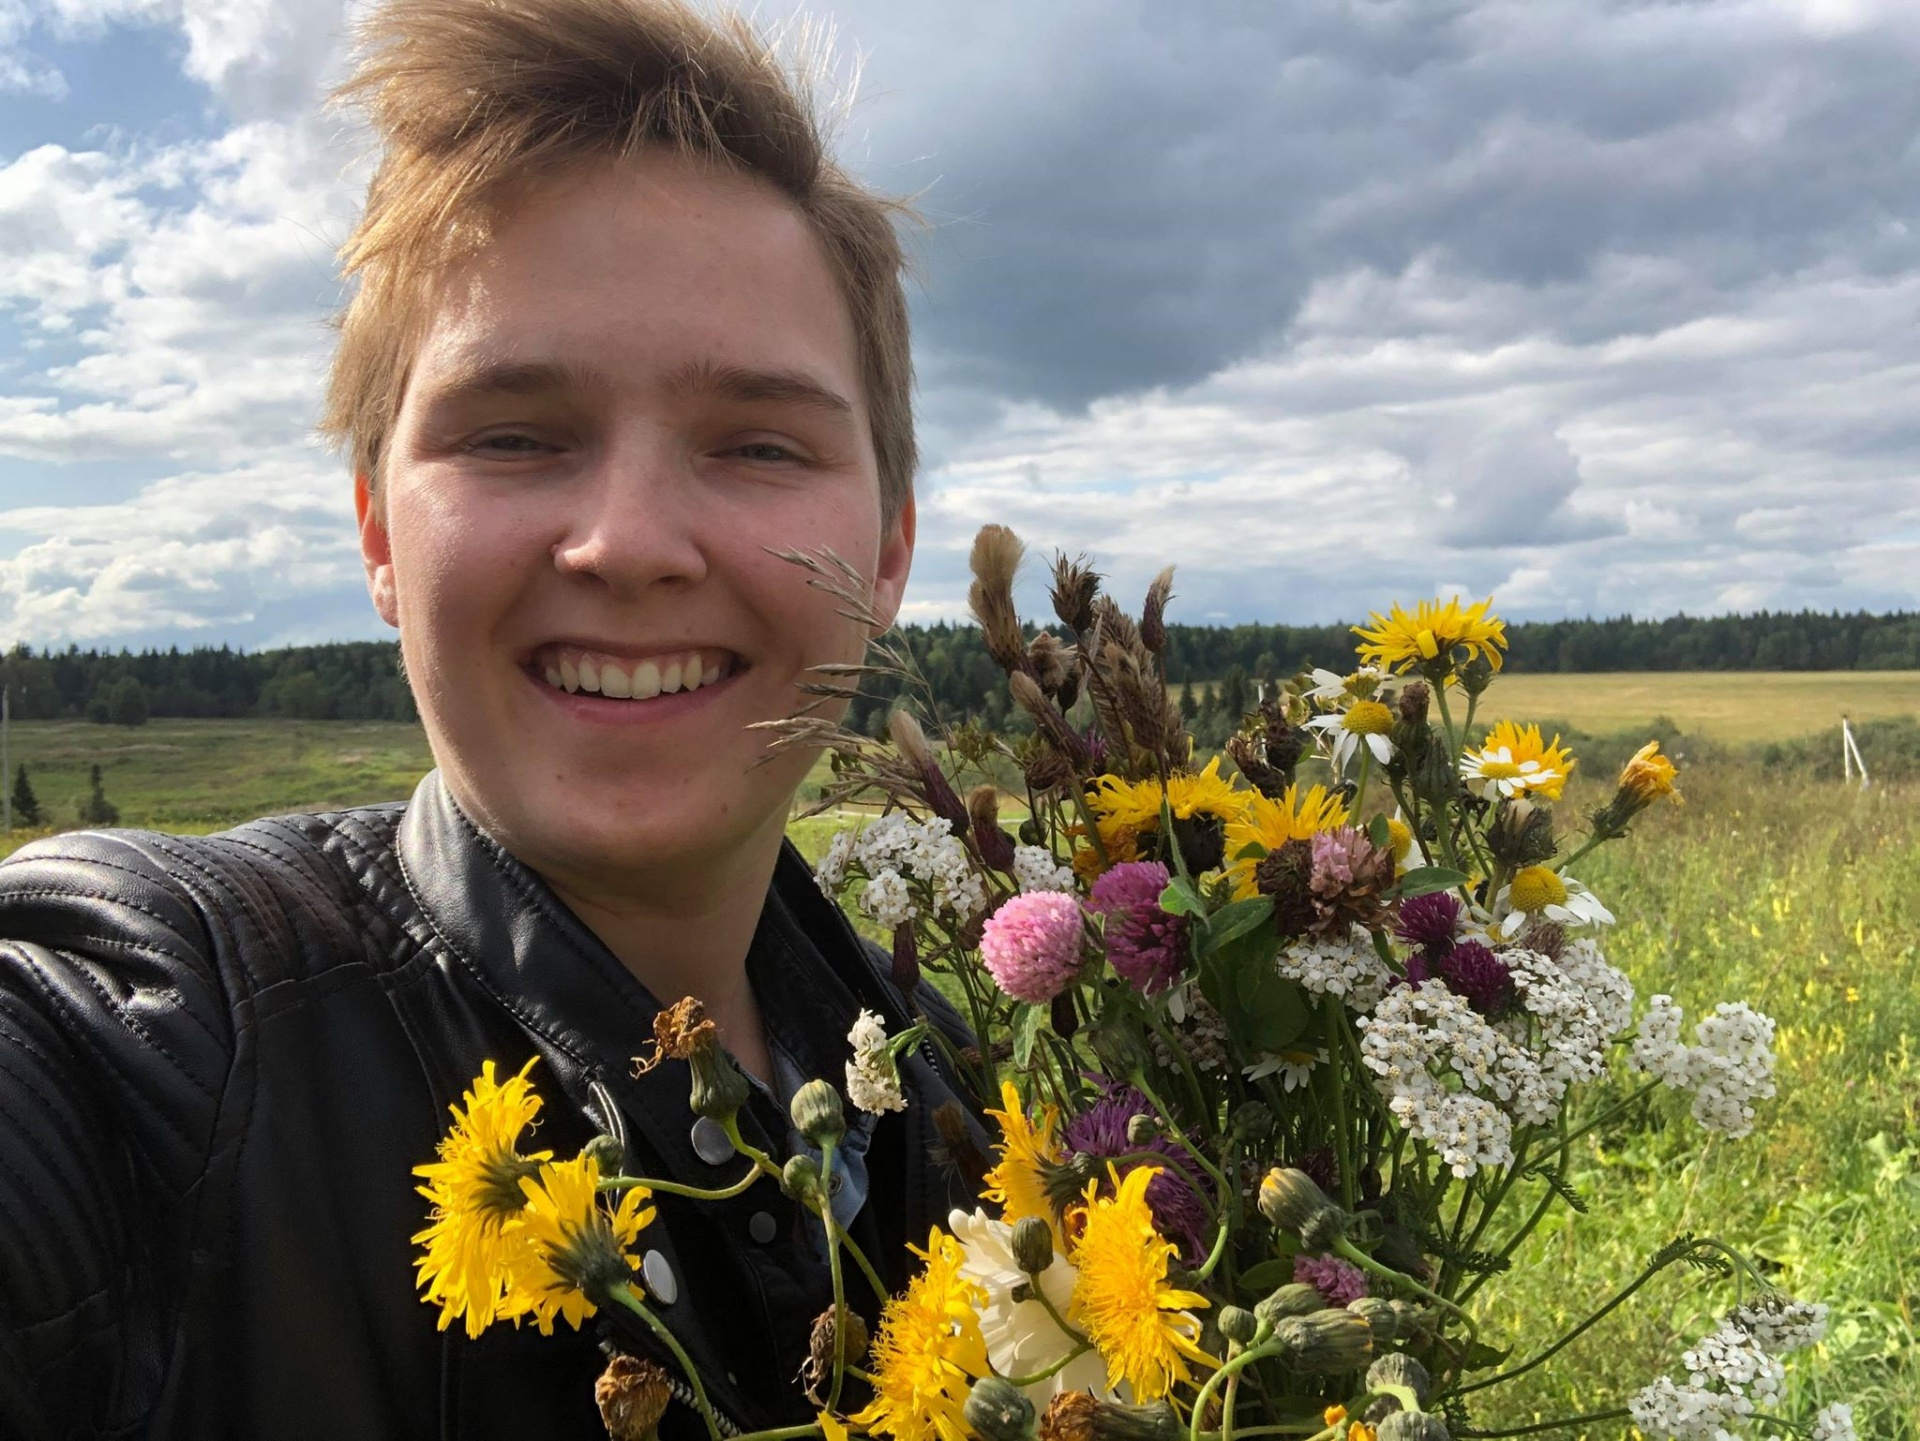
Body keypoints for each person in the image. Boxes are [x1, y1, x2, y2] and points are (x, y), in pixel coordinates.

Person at [0, 0, 984, 1434]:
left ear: (889, 551)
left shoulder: (947, 1079)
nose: (629, 542)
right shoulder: (163, 1059)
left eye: (760, 443)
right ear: (379, 536)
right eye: (514, 434)